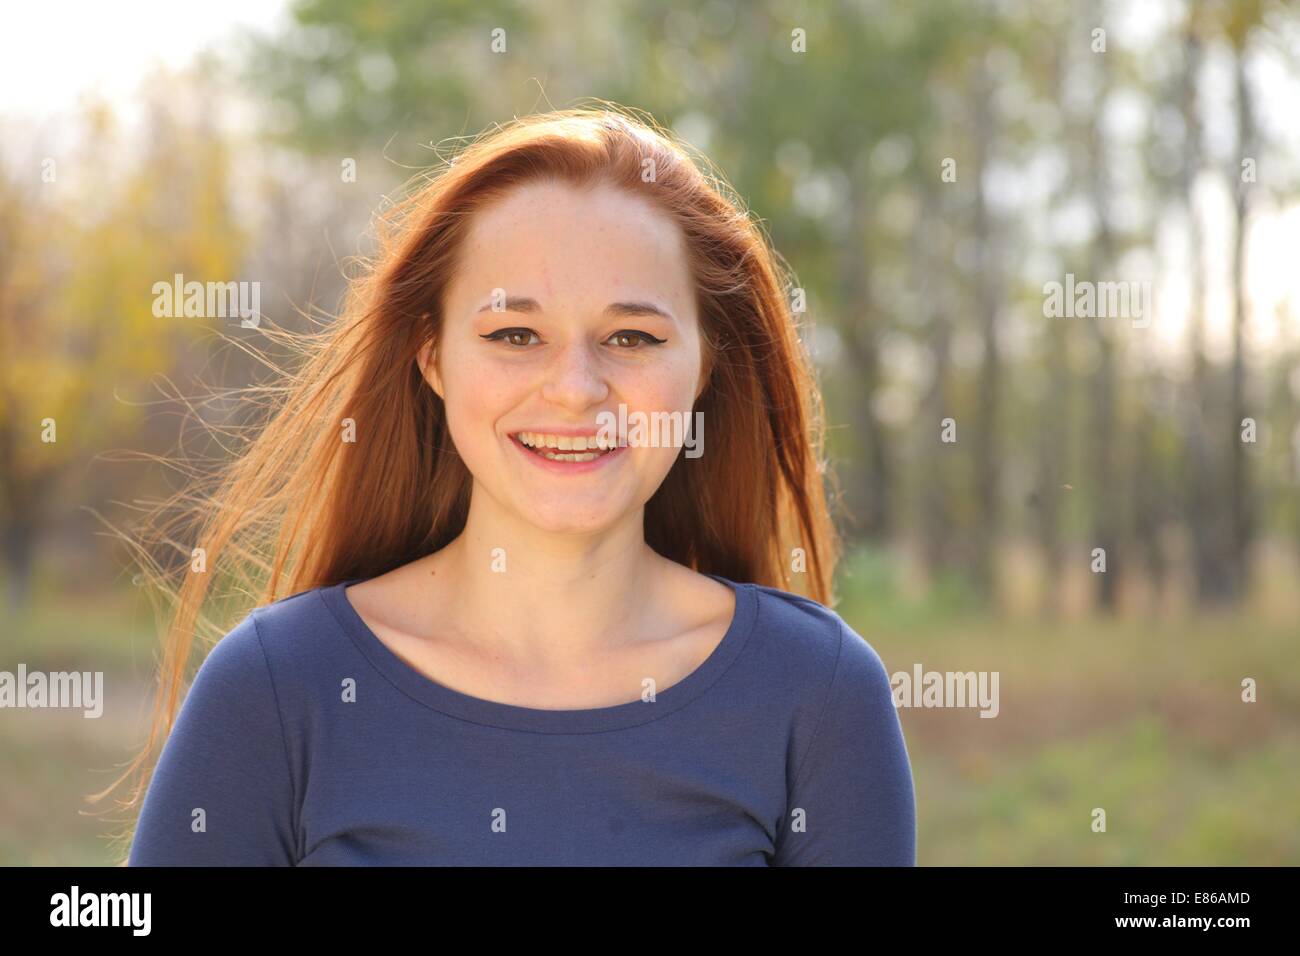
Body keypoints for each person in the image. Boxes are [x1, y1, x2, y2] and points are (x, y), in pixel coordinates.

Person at [117, 107, 915, 866]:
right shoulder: (278, 689)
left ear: (705, 363)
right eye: (514, 334)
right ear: (432, 358)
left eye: (631, 336)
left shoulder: (817, 695)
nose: (574, 388)